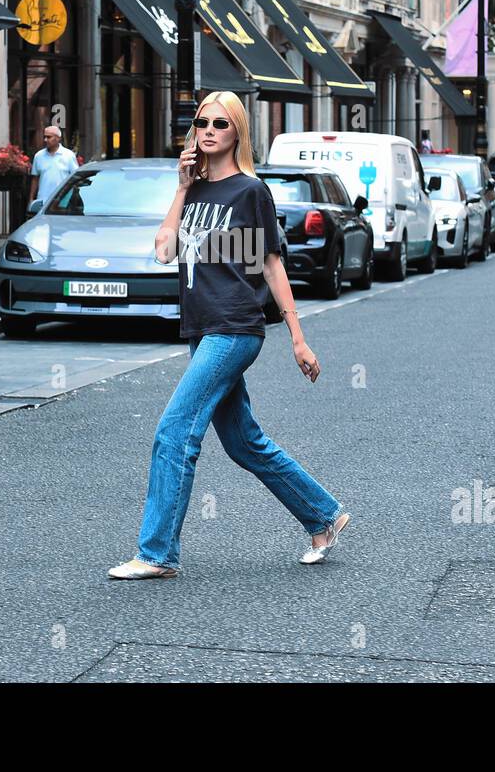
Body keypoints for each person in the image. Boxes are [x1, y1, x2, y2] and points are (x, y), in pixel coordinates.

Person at [107, 91, 349, 580]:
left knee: (175, 431)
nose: (210, 129)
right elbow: (162, 251)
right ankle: (323, 515)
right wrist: (180, 187)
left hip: (235, 328)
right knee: (243, 442)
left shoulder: (250, 191)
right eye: (202, 122)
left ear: (238, 131)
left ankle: (156, 554)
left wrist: (298, 337)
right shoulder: (193, 192)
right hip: (202, 329)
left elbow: (272, 264)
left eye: (221, 122)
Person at [28, 125, 78, 206]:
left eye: (49, 137)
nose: (45, 140)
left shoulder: (69, 155)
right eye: (44, 137)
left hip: (63, 202)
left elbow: (74, 178)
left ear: (58, 138)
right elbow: (35, 179)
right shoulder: (39, 156)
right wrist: (31, 199)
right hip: (43, 201)